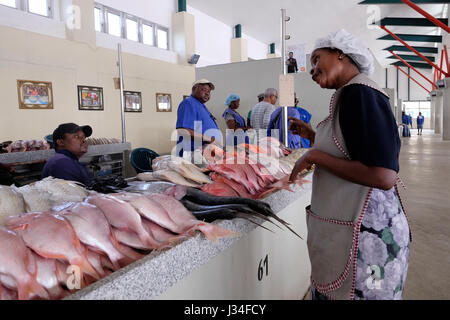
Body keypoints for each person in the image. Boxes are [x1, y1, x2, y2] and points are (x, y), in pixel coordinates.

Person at [289, 29, 410, 300]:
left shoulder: (359, 94)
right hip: (362, 229)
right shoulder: (351, 95)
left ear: (340, 53)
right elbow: (354, 150)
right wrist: (311, 136)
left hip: (368, 237)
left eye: (317, 59)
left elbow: (383, 176)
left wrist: (313, 156)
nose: (312, 69)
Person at [176, 79, 220, 158]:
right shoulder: (189, 103)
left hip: (205, 153)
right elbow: (184, 130)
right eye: (203, 90)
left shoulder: (200, 105)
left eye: (209, 92)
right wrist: (210, 139)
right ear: (194, 89)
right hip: (194, 154)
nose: (207, 93)